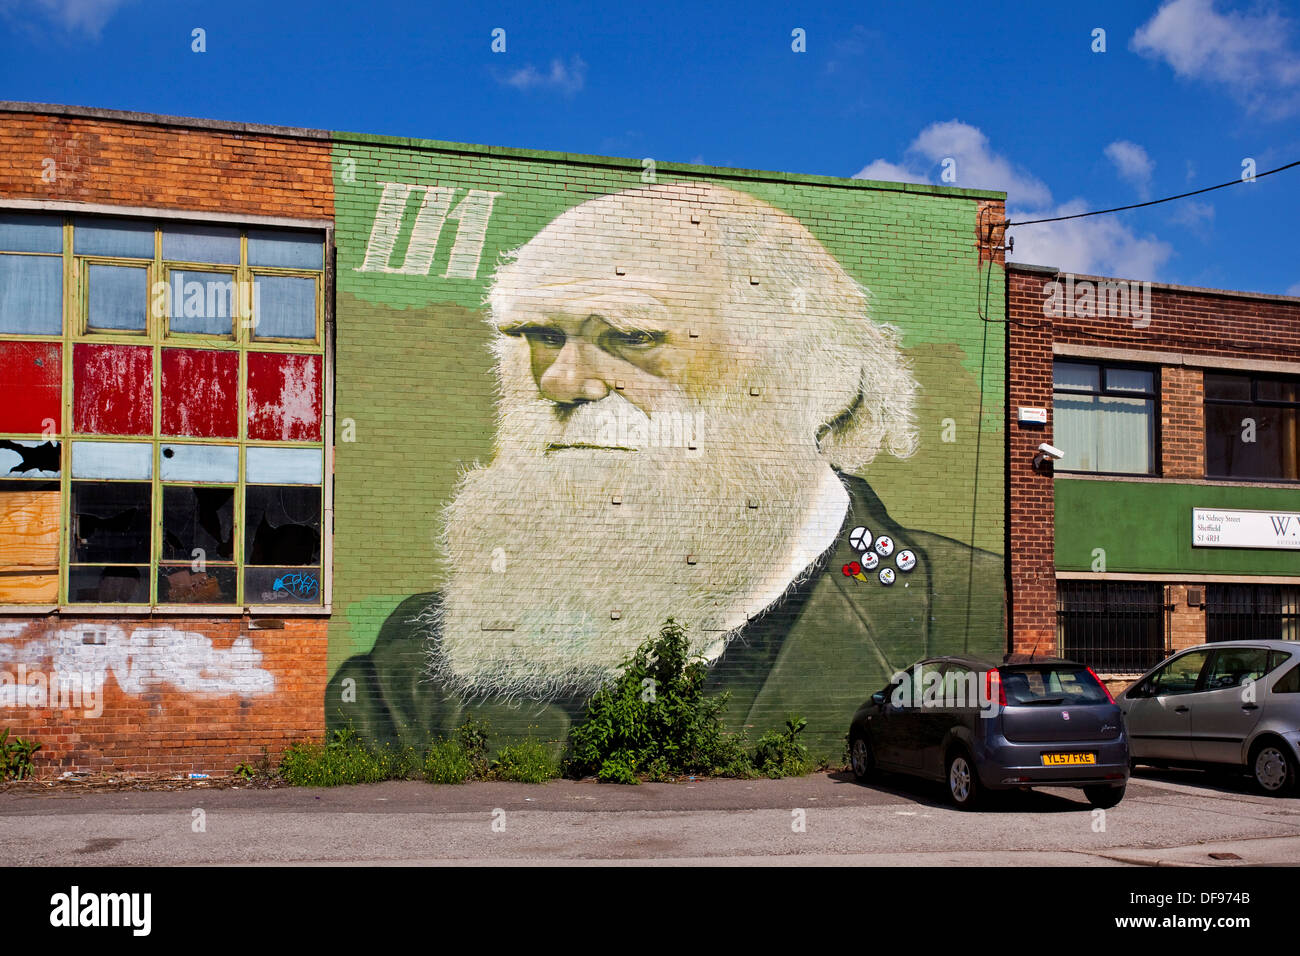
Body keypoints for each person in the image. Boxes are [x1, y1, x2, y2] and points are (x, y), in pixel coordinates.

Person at [327, 182, 1003, 751]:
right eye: (539, 334)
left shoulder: (969, 610)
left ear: (819, 379)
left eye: (632, 336)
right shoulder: (413, 664)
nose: (562, 380)